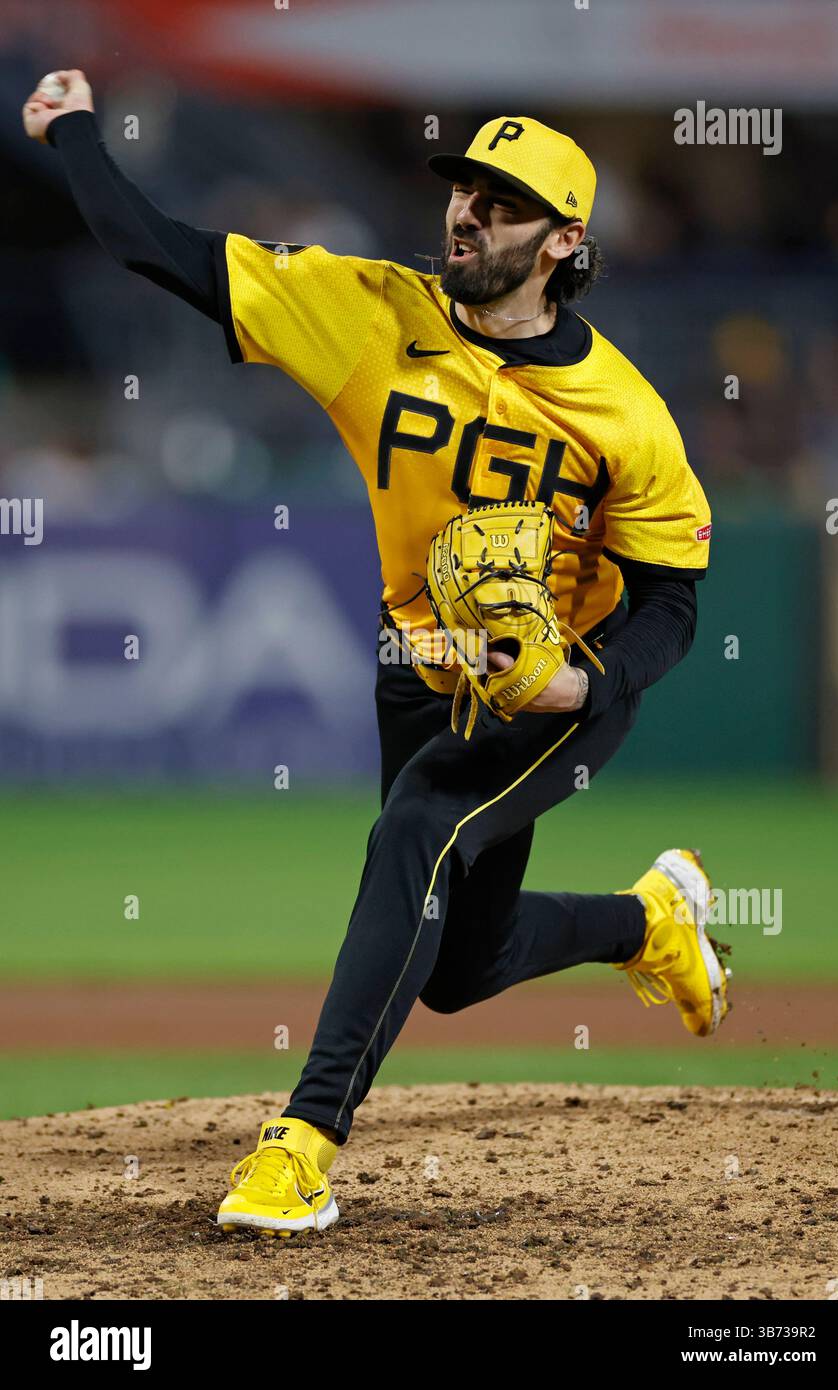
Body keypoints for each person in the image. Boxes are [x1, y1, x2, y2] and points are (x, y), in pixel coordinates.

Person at [24, 74, 729, 1239]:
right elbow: (155, 246)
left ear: (561, 242)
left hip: (556, 680)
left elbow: (672, 599)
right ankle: (645, 921)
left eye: (499, 204)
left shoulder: (624, 415)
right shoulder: (362, 310)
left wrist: (590, 682)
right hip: (420, 662)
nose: (463, 213)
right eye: (460, 189)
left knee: (417, 825)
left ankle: (299, 1145)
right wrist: (76, 131)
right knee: (459, 960)